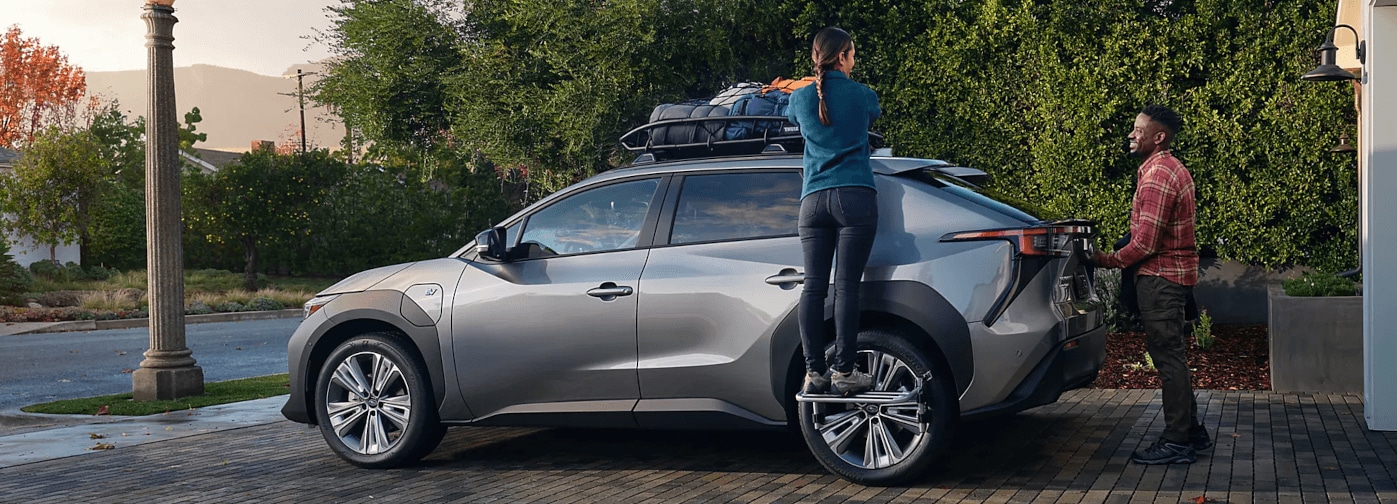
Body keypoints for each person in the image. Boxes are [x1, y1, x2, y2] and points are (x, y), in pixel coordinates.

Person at [1093, 104, 1212, 464]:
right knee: (1172, 357)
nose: (1132, 134)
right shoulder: (1166, 169)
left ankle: (1177, 441)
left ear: (1158, 137)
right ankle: (1192, 432)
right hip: (1169, 277)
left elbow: (1146, 243)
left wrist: (1105, 260)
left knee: (1168, 359)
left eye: (1139, 130)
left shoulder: (1159, 174)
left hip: (1161, 279)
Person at [786, 27, 882, 396]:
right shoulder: (863, 95)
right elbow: (869, 115)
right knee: (846, 287)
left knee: (813, 287)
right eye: (853, 54)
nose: (854, 60)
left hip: (812, 202)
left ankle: (815, 372)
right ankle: (844, 370)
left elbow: (793, 113)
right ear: (842, 56)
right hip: (854, 196)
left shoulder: (801, 98)